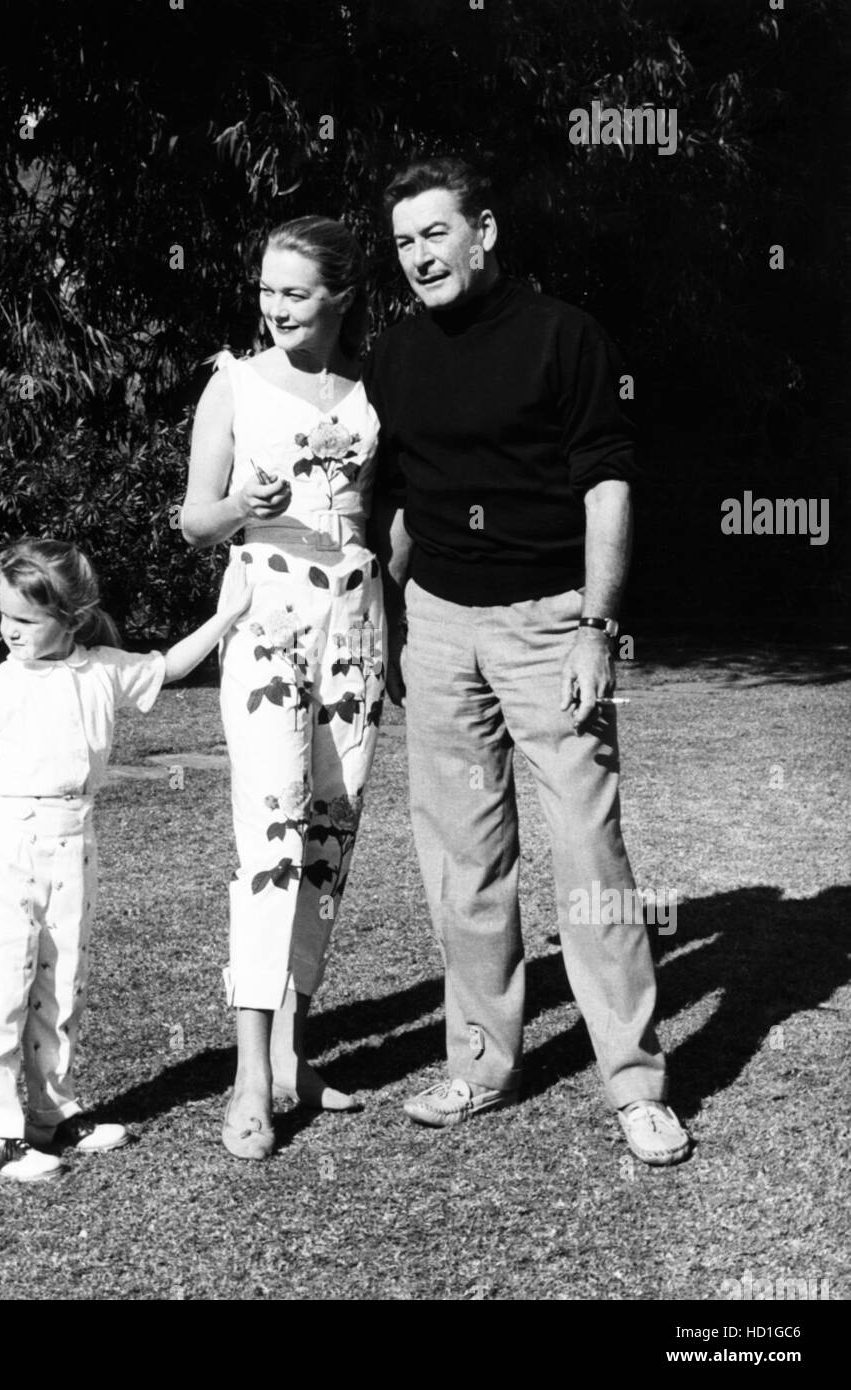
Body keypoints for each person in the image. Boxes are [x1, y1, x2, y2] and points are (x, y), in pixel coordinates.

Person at [367, 156, 691, 1165]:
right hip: (439, 631)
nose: (421, 255)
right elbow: (395, 505)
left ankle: (635, 1085)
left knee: (587, 858)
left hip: (551, 626)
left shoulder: (563, 337)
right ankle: (477, 1063)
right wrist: (390, 619)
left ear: (484, 231)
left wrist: (597, 626)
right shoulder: (393, 356)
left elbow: (605, 489)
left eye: (436, 233)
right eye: (405, 242)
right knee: (463, 861)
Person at [0, 537, 251, 1182]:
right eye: (5, 616)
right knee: (1, 989)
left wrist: (228, 615)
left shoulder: (102, 670)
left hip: (75, 839)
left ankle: (53, 1115)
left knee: (62, 984)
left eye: (26, 620)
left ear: (72, 619)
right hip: (8, 846)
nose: (10, 631)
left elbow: (170, 666)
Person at [182, 215, 384, 1160]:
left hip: (356, 624)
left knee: (330, 836)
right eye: (267, 289)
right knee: (271, 833)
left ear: (341, 294)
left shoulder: (372, 387)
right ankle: (247, 1075)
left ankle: (297, 1048)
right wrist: (239, 509)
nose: (276, 306)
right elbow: (193, 521)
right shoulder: (233, 383)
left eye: (296, 292)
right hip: (266, 619)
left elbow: (393, 508)